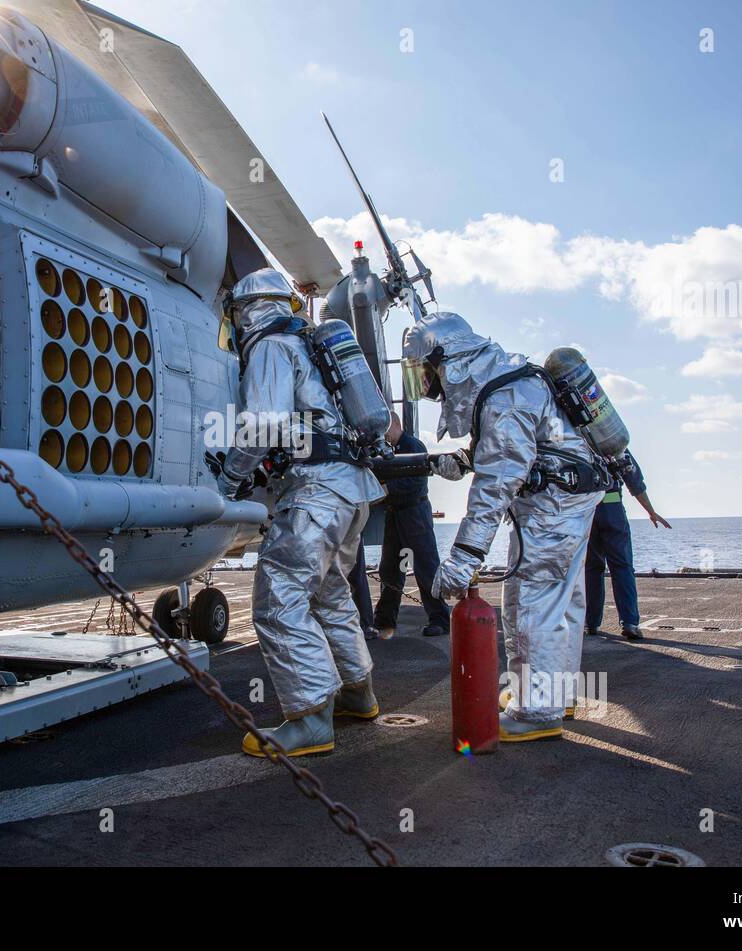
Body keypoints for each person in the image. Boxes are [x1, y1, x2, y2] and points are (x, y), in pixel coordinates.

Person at [402, 312, 604, 743]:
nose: (427, 385)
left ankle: (536, 712)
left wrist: (461, 559)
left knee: (530, 601)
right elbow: (515, 446)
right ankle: (557, 693)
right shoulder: (506, 379)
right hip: (569, 498)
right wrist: (461, 460)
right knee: (561, 601)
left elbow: (495, 486)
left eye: (425, 372)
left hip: (552, 505)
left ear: (447, 361)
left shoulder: (504, 395)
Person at [215, 268, 384, 758]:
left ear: (247, 312)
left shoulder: (271, 345)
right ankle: (358, 692)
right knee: (330, 594)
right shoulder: (314, 346)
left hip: (315, 491)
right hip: (351, 490)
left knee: (279, 596)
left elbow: (264, 421)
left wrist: (230, 480)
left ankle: (310, 719)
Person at [373, 413, 451, 639]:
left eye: (386, 429)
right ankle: (385, 619)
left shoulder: (413, 445)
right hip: (396, 513)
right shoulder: (391, 450)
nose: (383, 435)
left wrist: (386, 490)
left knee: (426, 567)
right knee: (390, 569)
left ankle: (440, 619)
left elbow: (416, 479)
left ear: (396, 425)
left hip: (414, 512)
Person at [585, 450, 670, 640]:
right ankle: (630, 623)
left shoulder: (575, 438)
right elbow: (633, 479)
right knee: (622, 567)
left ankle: (590, 623)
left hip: (585, 511)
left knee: (591, 568)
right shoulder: (611, 440)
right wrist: (650, 511)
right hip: (612, 508)